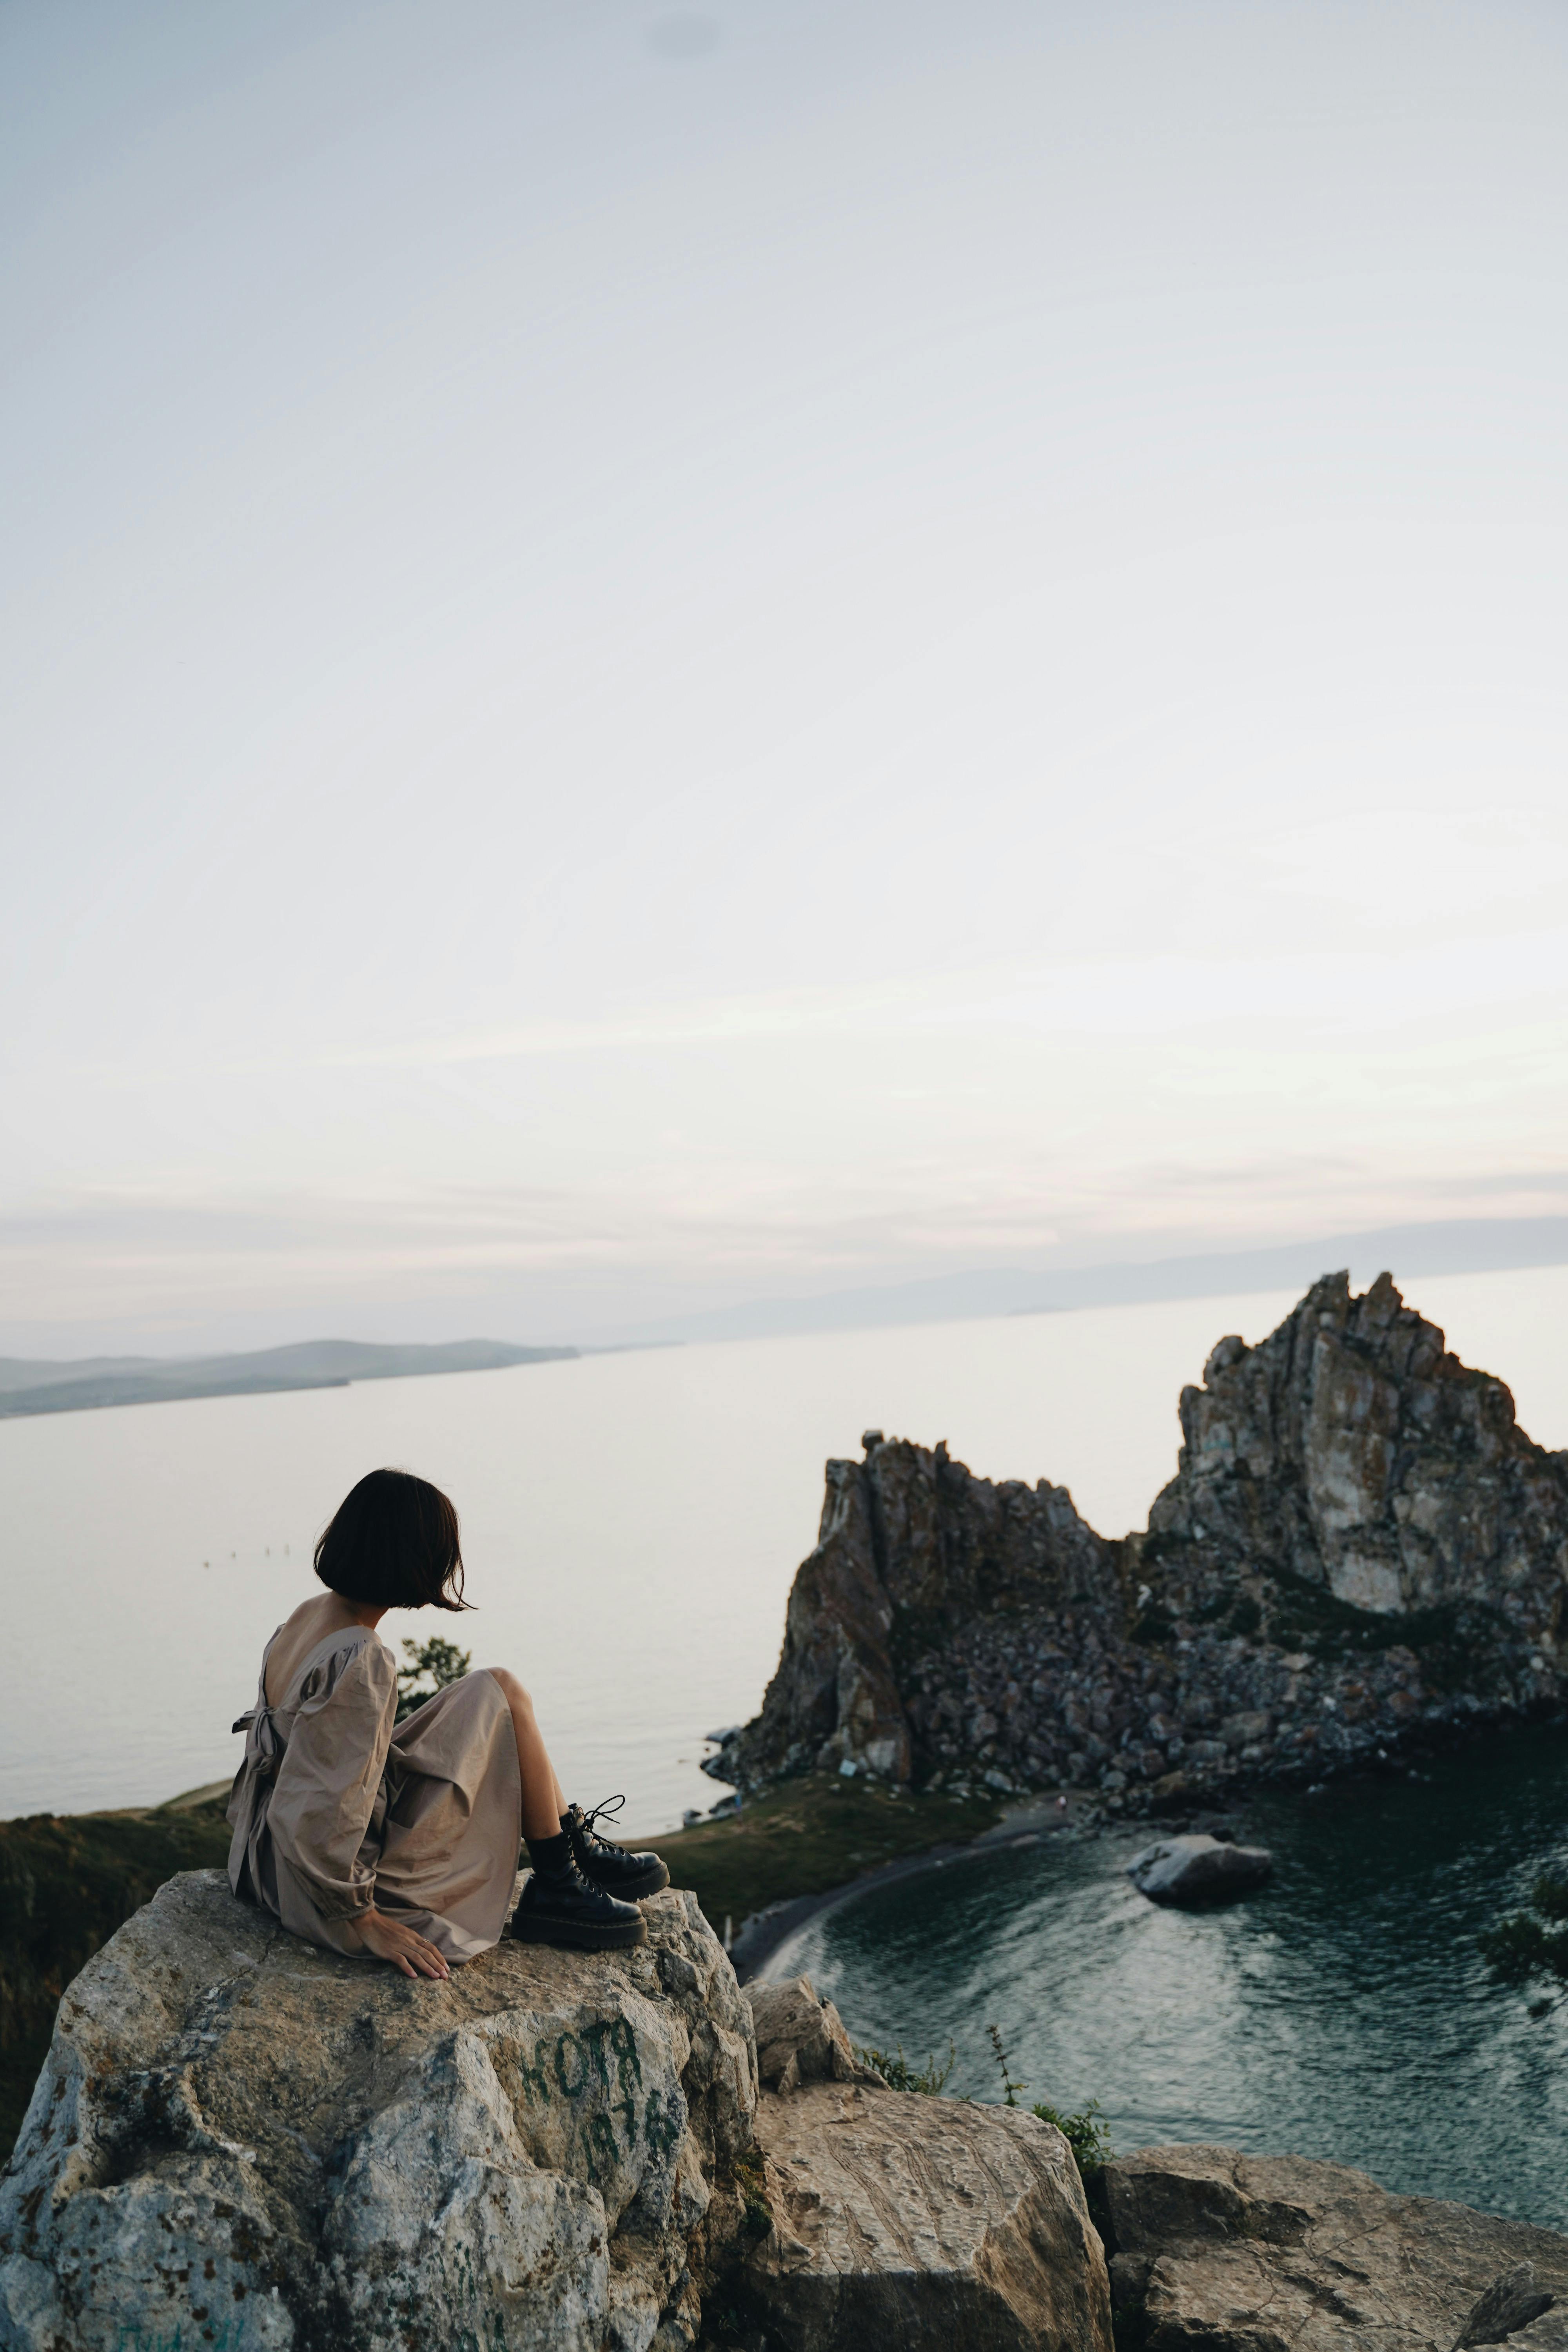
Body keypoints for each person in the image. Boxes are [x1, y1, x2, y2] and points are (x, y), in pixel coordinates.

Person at [227, 1466, 668, 1980]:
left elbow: (314, 1768)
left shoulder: (311, 1614)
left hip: (266, 1865)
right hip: (319, 1891)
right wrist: (364, 1917)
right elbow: (318, 1816)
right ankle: (559, 1880)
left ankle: (566, 1858)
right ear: (413, 1557)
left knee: (499, 1688)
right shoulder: (359, 1658)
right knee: (500, 1697)